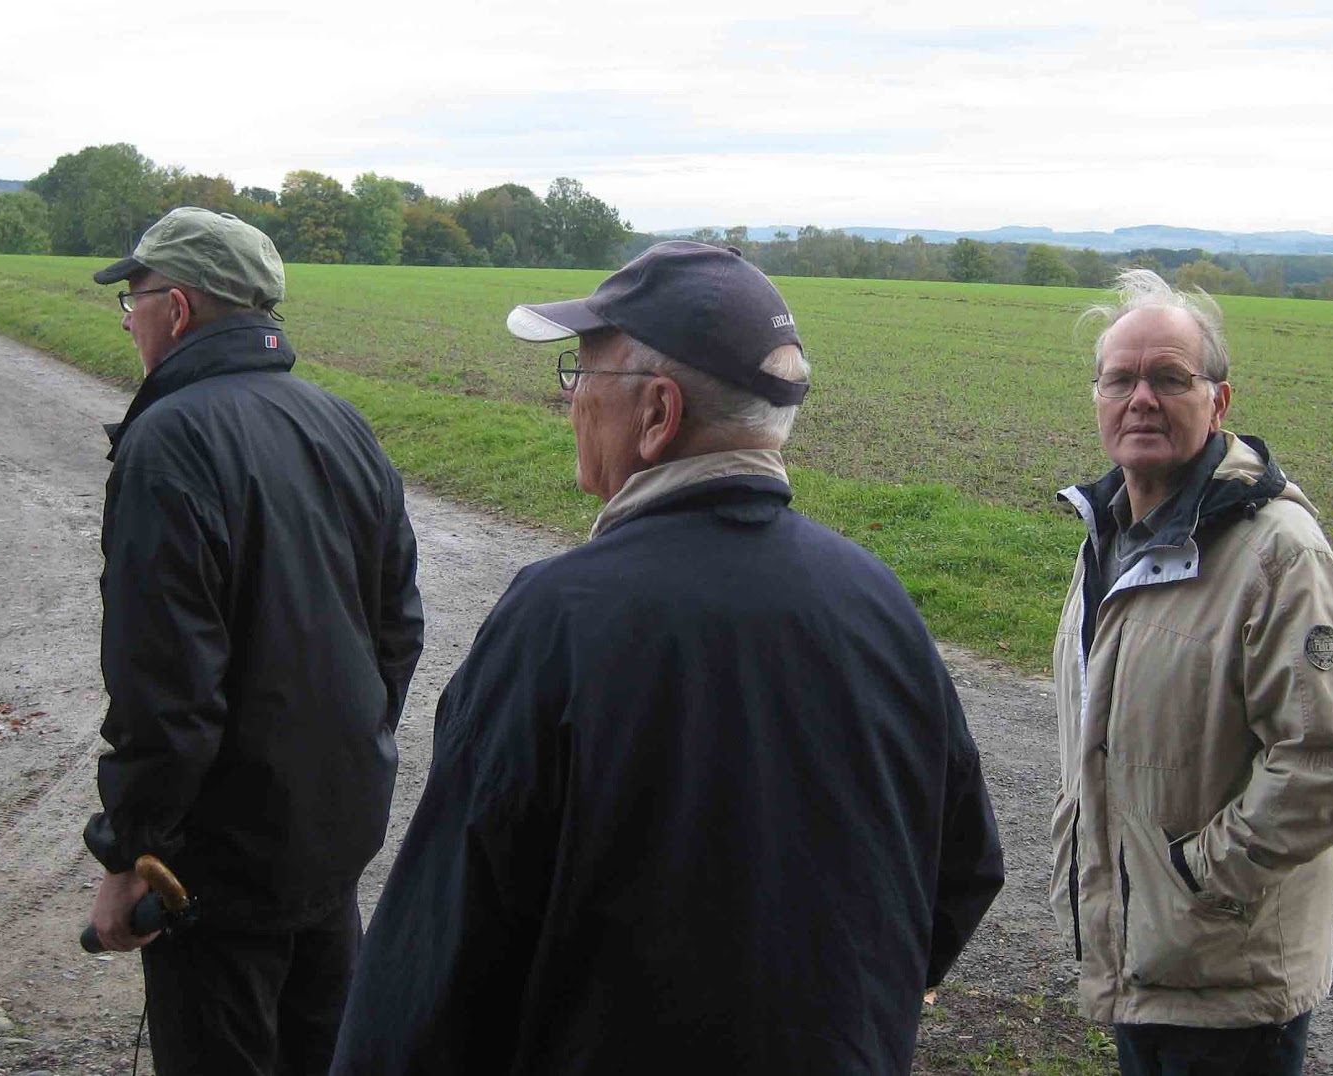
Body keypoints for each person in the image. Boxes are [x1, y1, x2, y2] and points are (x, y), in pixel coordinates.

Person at [330, 240, 1005, 1075]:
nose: (570, 400)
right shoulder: (875, 598)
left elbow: (440, 944)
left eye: (582, 374)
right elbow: (965, 866)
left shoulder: (558, 620)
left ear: (658, 412)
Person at [83, 206, 425, 1074]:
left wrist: (135, 854)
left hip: (216, 875)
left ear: (180, 309)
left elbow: (167, 689)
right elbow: (398, 626)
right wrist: (340, 752)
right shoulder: (342, 424)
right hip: (329, 843)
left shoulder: (168, 443)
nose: (130, 319)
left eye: (136, 299)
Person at [1050, 269, 1333, 1075]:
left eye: (1170, 378)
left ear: (1219, 402)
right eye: (1121, 379)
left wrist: (1196, 879)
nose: (1142, 400)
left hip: (1226, 973)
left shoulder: (1277, 551)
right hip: (1140, 950)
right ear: (1097, 396)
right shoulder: (1112, 537)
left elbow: (1328, 760)